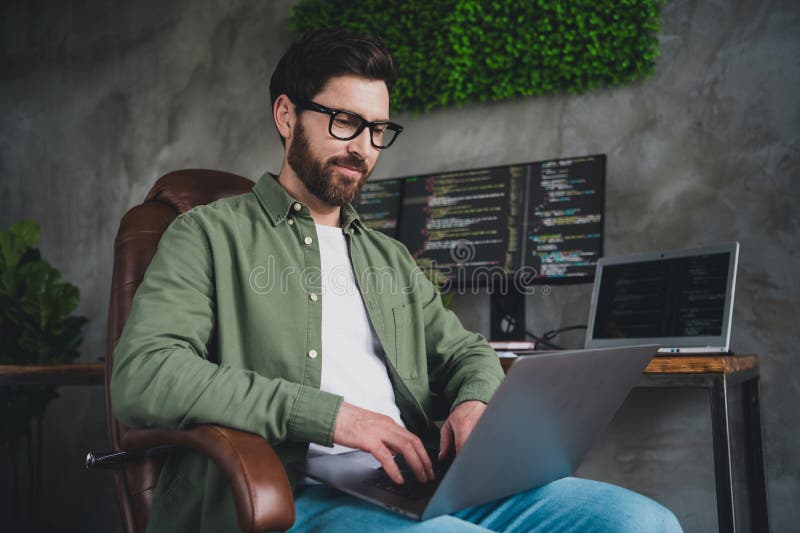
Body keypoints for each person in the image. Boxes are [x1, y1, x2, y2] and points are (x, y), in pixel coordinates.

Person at [111, 28, 682, 532]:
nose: (363, 149)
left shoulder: (389, 257)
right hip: (290, 495)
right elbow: (144, 374)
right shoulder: (206, 234)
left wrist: (475, 402)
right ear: (286, 116)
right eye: (345, 122)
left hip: (412, 483)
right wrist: (333, 415)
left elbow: (465, 353)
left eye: (379, 131)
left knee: (644, 521)